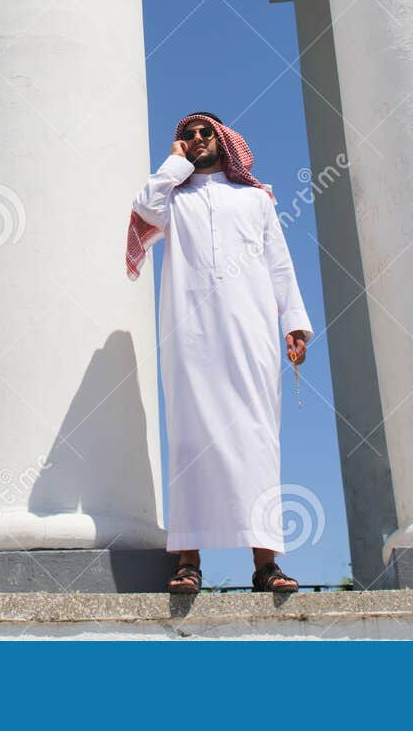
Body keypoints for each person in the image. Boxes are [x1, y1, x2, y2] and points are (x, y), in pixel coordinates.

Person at [126, 110, 314, 594]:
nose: (196, 139)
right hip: (190, 335)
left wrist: (294, 322)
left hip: (250, 331)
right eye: (186, 135)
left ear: (225, 140)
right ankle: (188, 561)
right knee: (190, 440)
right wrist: (173, 164)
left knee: (256, 438)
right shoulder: (175, 200)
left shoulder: (257, 197)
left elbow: (280, 263)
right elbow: (144, 208)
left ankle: (266, 564)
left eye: (205, 132)